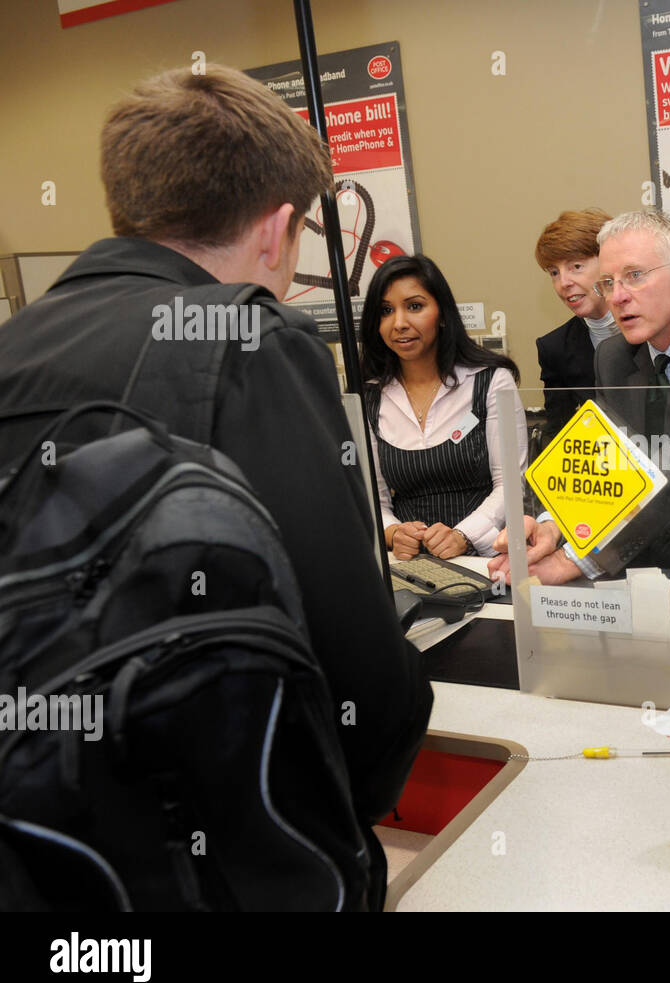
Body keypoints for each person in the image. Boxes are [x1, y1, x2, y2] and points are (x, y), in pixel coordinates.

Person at [0, 66, 432, 870]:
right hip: (203, 854)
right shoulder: (244, 341)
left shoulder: (15, 349)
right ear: (277, 231)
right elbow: (355, 683)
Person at [489, 208, 670, 584]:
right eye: (608, 283)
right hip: (648, 559)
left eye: (634, 276)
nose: (618, 296)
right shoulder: (613, 355)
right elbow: (601, 464)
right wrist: (554, 526)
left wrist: (576, 559)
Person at [359, 254, 527, 562]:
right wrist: (394, 533)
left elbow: (511, 486)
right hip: (410, 567)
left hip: (487, 559)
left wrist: (463, 536)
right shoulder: (368, 397)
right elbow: (373, 499)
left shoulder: (490, 381)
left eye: (414, 306)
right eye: (386, 311)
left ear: (442, 313)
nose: (399, 323)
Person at [534, 208, 618, 441]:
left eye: (576, 267)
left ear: (608, 263)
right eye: (554, 272)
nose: (563, 283)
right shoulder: (555, 348)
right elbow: (558, 433)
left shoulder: (654, 328)